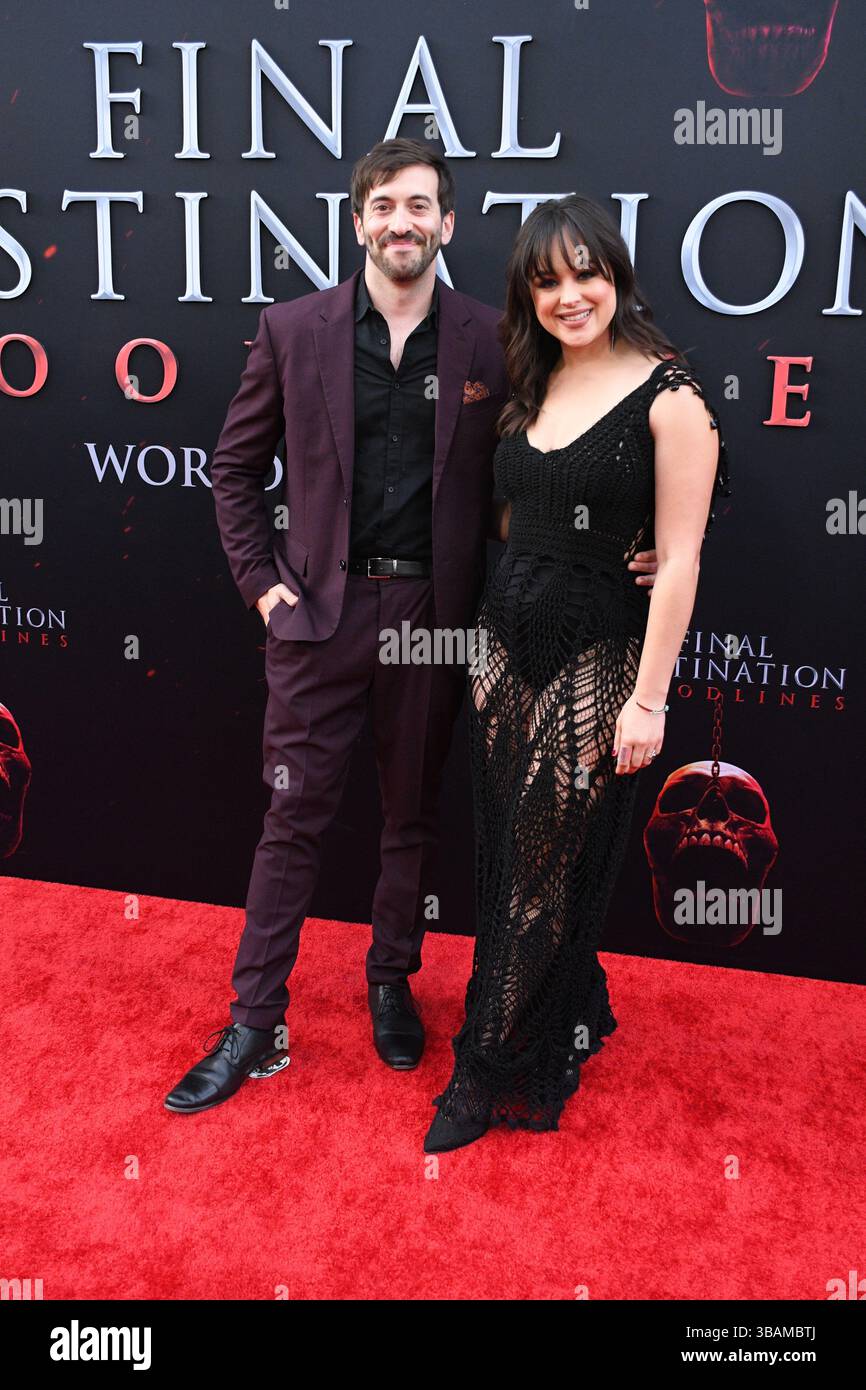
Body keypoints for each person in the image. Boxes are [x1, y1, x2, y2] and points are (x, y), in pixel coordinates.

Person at [164, 142, 660, 1116]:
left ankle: (390, 980)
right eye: (383, 204)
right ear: (357, 222)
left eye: (419, 205)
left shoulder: (488, 337)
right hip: (318, 617)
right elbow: (232, 472)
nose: (401, 221)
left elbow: (549, 458)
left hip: (435, 623)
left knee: (409, 818)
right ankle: (252, 1021)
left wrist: (629, 541)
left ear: (446, 223)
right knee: (289, 823)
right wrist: (266, 590)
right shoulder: (293, 329)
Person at [424, 194, 731, 1153]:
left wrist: (649, 698)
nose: (569, 296)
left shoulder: (671, 398)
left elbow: (679, 560)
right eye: (546, 281)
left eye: (584, 274)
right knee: (506, 849)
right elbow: (518, 518)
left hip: (596, 661)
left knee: (541, 865)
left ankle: (492, 1067)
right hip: (502, 647)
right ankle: (577, 997)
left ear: (616, 276)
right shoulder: (536, 379)